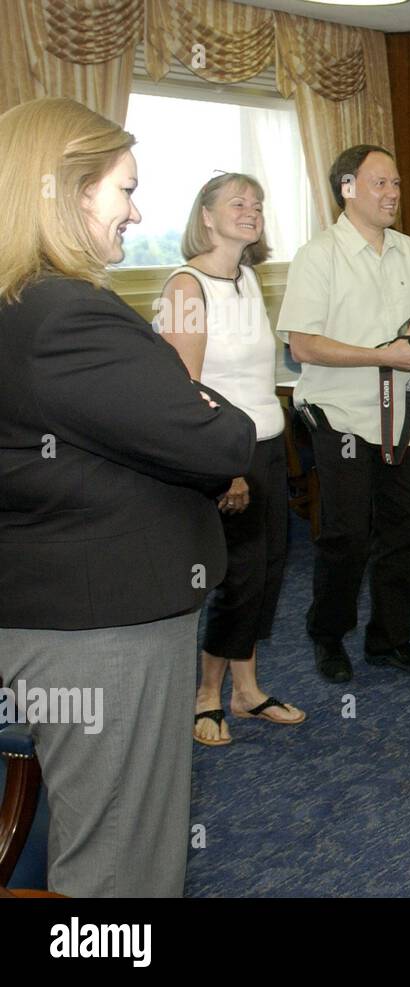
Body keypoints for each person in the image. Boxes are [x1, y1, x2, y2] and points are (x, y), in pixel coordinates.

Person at [0, 98, 255, 896]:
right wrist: (217, 410)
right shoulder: (69, 314)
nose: (136, 211)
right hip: (103, 629)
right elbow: (222, 438)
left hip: (49, 612)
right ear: (69, 191)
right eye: (124, 191)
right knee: (121, 868)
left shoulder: (17, 307)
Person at [278, 144, 410, 684]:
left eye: (396, 184)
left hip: (404, 419)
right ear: (347, 188)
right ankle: (328, 634)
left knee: (405, 535)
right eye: (380, 184)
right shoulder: (318, 256)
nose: (393, 194)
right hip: (343, 417)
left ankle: (390, 639)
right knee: (346, 535)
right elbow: (303, 346)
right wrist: (383, 356)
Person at [158, 173, 306, 745]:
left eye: (258, 204)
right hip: (227, 456)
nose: (251, 211)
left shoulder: (246, 278)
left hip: (269, 444)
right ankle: (205, 696)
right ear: (207, 217)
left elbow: (253, 375)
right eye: (237, 204)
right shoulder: (186, 287)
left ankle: (247, 692)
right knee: (238, 577)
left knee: (267, 573)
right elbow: (185, 388)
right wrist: (227, 467)